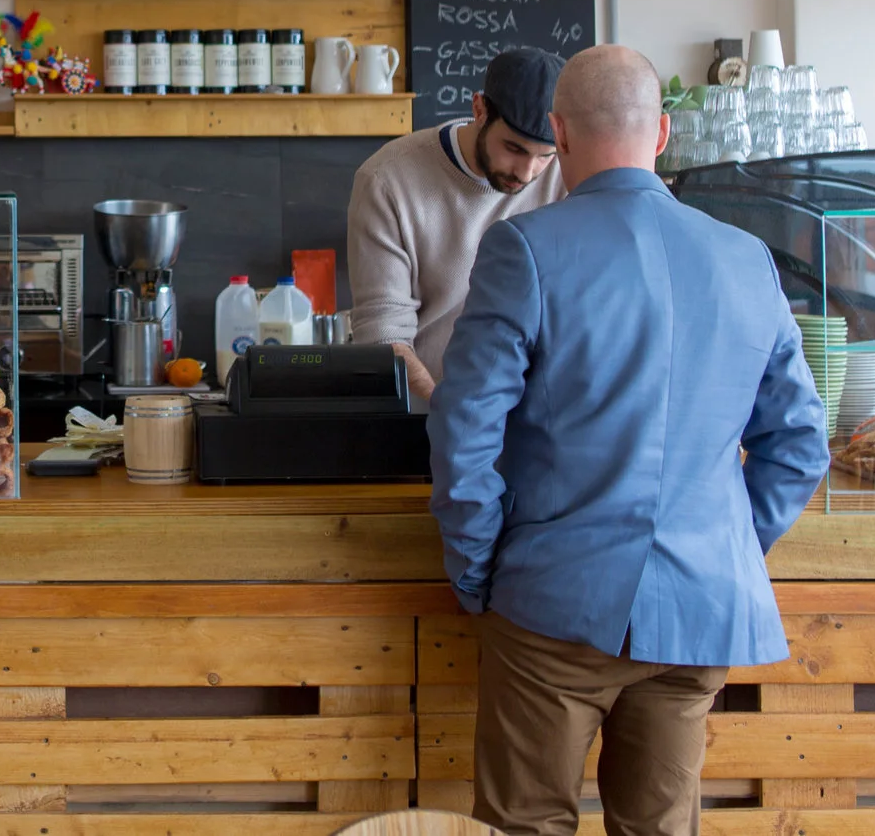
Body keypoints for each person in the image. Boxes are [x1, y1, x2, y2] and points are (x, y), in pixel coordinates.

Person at [426, 45, 828, 836]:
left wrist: (477, 567)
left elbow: (464, 426)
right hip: (699, 611)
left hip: (552, 601)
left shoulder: (525, 247)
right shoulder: (747, 258)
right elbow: (800, 443)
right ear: (663, 133)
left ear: (559, 132)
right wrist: (723, 543)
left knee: (524, 826)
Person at [348, 47, 566, 399]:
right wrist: (452, 422)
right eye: (514, 149)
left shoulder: (566, 174)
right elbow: (384, 338)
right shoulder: (387, 181)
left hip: (536, 418)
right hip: (429, 410)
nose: (527, 173)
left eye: (545, 156)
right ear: (479, 110)